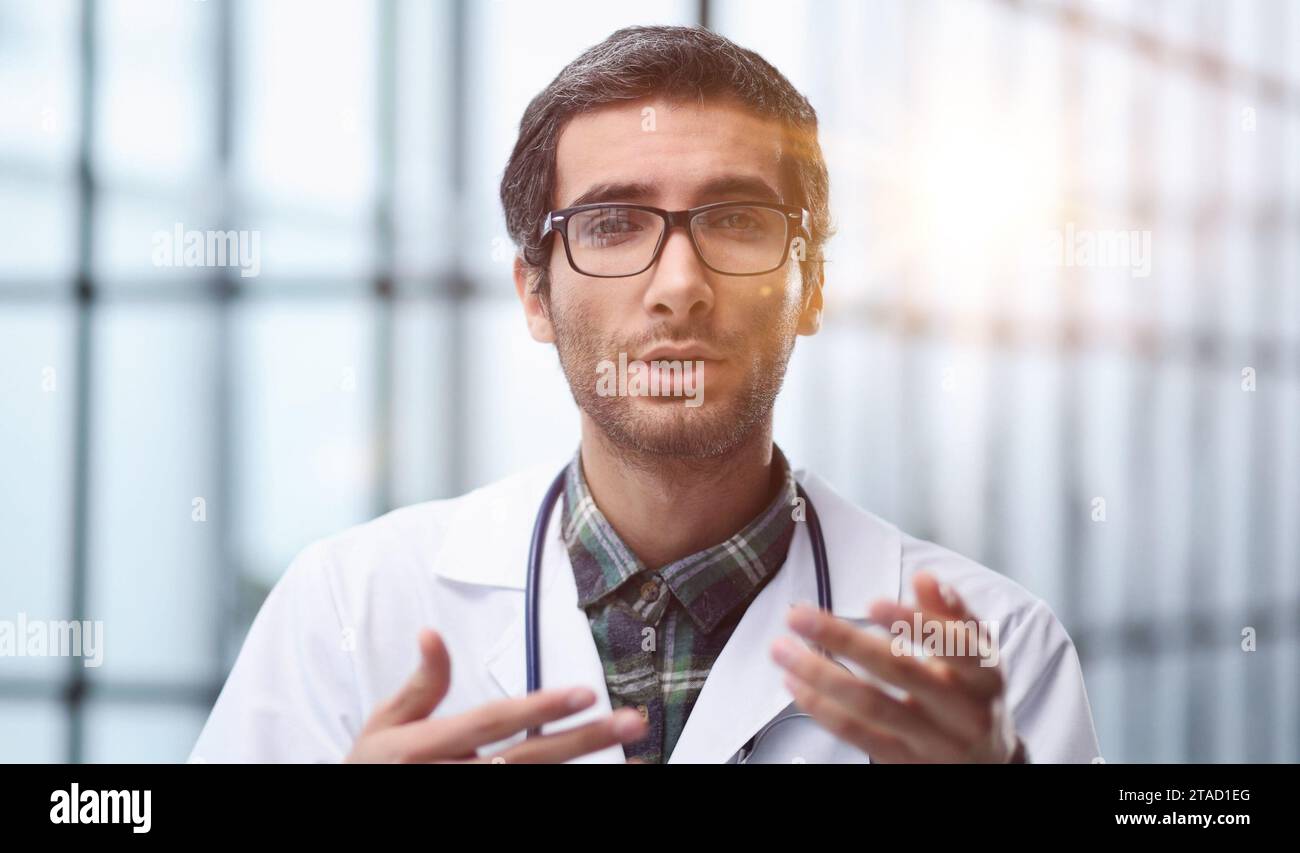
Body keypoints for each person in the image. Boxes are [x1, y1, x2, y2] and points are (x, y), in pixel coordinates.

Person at [190, 25, 1099, 764]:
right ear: (534, 296)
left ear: (812, 286)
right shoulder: (348, 611)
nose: (679, 285)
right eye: (614, 224)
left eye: (735, 220)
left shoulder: (996, 652)